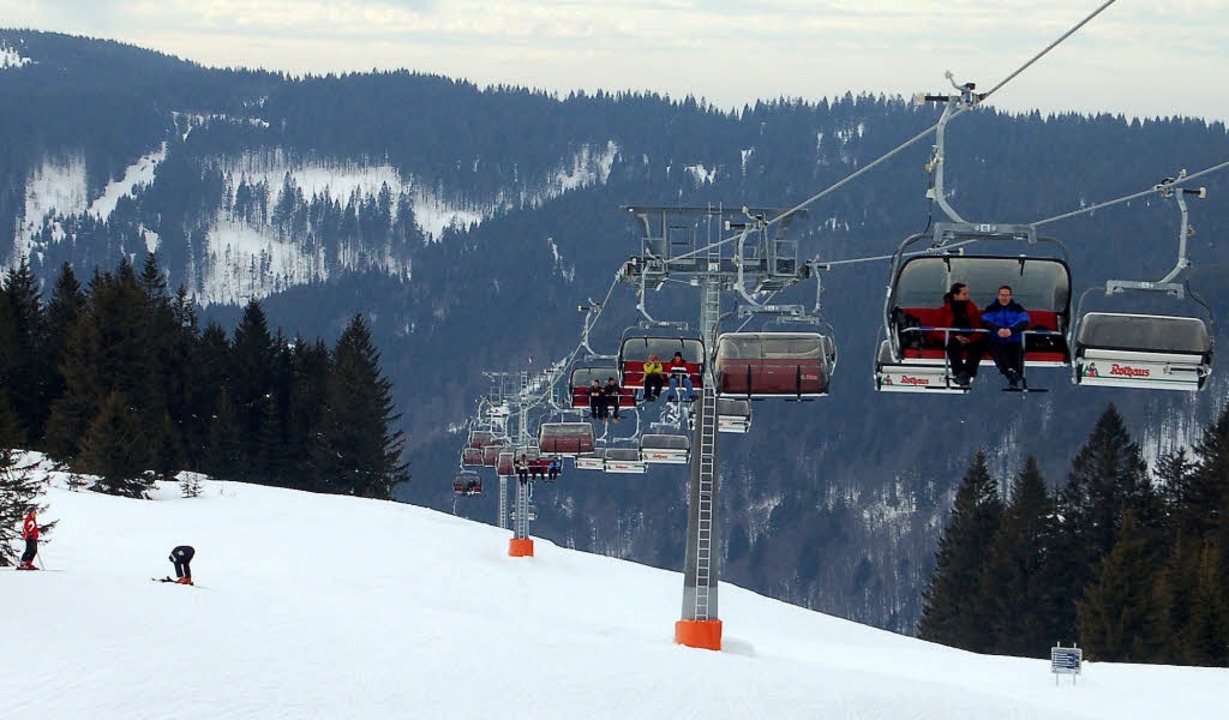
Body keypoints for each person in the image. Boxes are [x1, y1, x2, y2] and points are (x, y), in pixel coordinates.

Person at [935, 282, 985, 388]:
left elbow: (979, 327)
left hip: (970, 338)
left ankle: (968, 372)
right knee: (953, 346)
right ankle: (959, 373)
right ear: (955, 295)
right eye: (964, 294)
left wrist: (970, 339)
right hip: (953, 338)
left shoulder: (972, 309)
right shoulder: (943, 312)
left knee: (978, 346)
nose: (967, 296)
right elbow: (936, 331)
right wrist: (953, 337)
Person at [981, 284, 1031, 389]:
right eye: (1002, 295)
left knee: (1017, 352)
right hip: (996, 339)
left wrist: (1011, 330)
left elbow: (1024, 321)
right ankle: (1010, 372)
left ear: (1011, 296)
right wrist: (997, 329)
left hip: (1014, 338)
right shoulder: (991, 309)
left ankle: (1015, 374)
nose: (1004, 298)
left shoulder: (1017, 308)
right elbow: (986, 321)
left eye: (1007, 295)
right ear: (998, 296)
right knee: (998, 352)